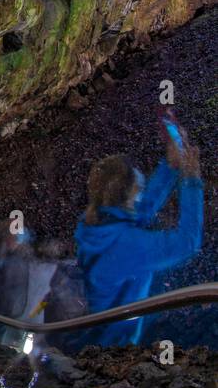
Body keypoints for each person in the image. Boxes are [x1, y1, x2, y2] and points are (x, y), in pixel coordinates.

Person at [73, 134, 203, 346]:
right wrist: (191, 181)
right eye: (138, 190)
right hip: (113, 345)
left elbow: (138, 211)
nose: (141, 195)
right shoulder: (128, 246)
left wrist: (170, 167)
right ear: (127, 195)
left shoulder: (94, 223)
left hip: (91, 332)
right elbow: (187, 243)